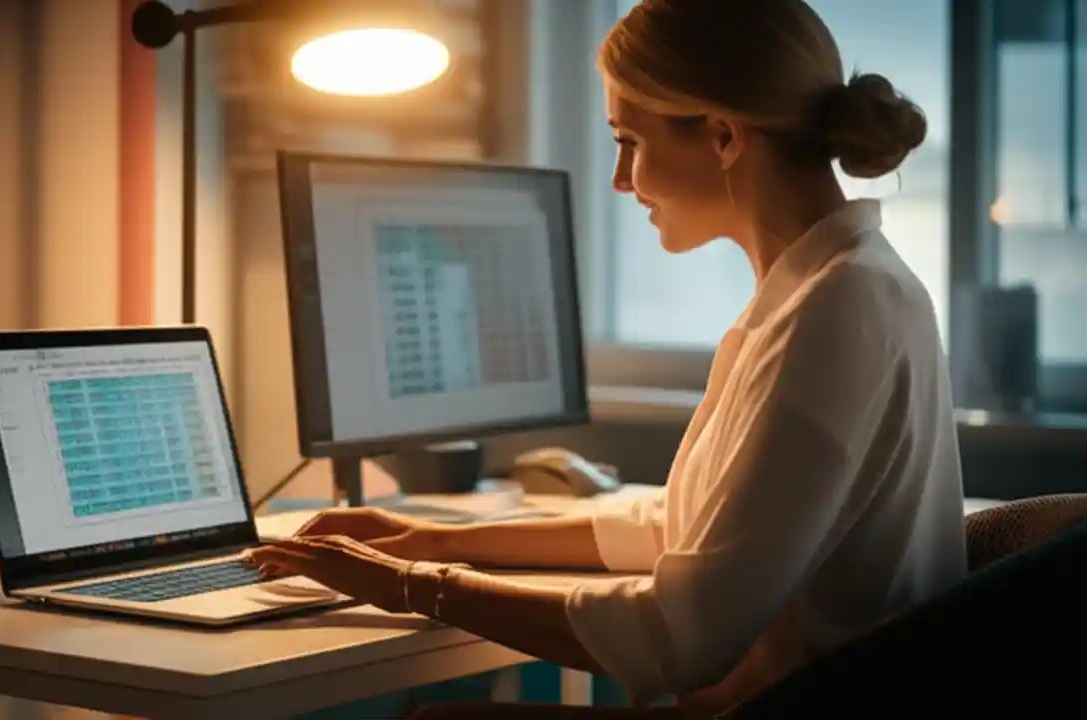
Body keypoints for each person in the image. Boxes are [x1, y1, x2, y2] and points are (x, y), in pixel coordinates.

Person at [247, 0, 967, 717]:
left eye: (629, 140)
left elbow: (682, 636)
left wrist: (408, 584)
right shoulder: (831, 286)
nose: (621, 179)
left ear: (722, 136)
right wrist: (427, 539)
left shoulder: (837, 311)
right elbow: (679, 531)